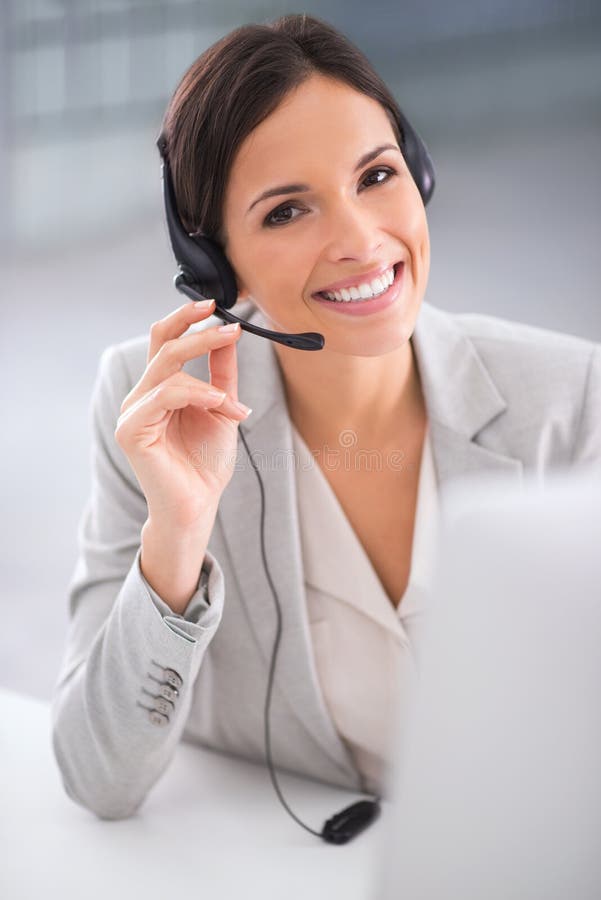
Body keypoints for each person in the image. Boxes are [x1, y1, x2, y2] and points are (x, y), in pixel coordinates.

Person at [51, 13, 600, 821]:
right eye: (285, 211)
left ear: (418, 172)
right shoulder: (151, 406)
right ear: (213, 264)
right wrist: (177, 536)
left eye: (375, 176)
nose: (359, 240)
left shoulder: (571, 398)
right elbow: (97, 778)